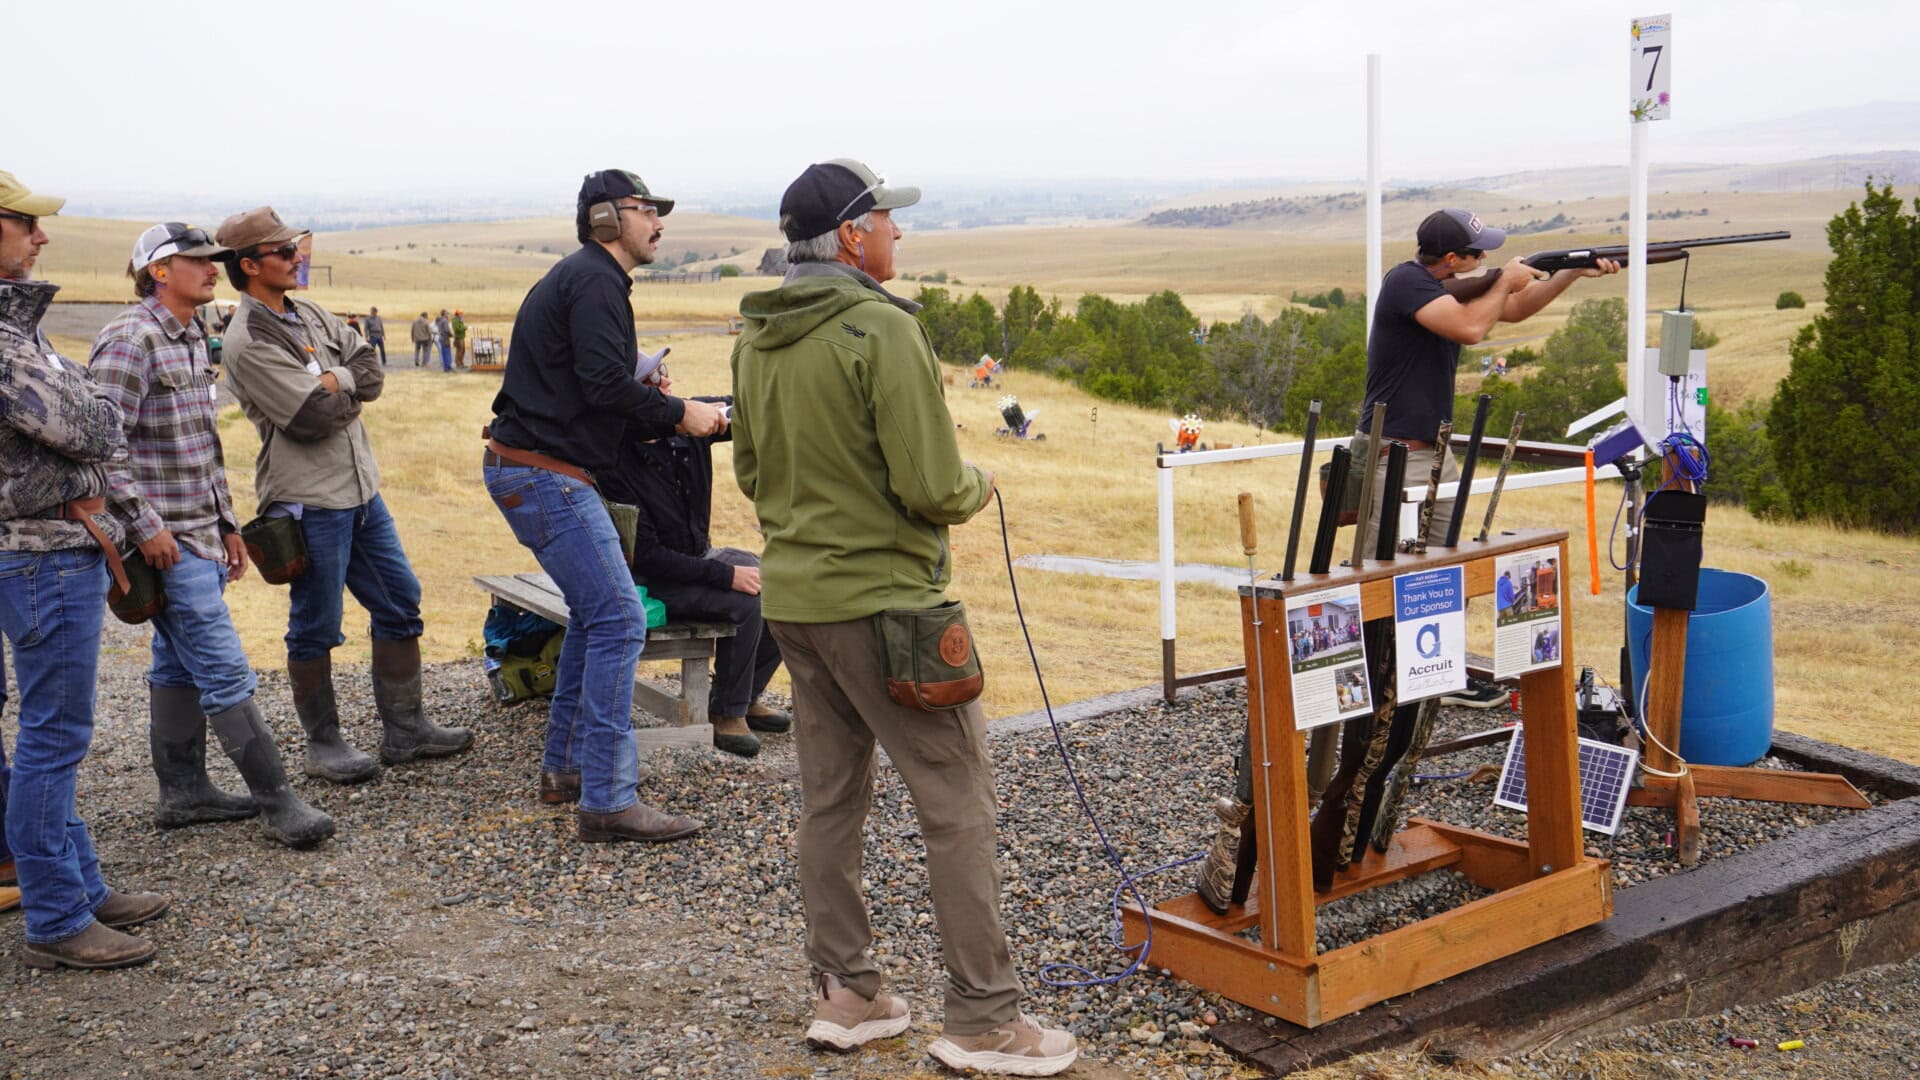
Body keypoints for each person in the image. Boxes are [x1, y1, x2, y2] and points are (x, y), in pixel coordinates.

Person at [730, 159, 1076, 1075]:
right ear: (852, 235)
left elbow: (753, 476)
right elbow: (931, 485)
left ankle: (849, 993)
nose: (898, 232)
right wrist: (980, 482)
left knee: (830, 801)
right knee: (958, 805)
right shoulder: (881, 330)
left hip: (795, 604)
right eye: (887, 218)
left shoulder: (755, 336)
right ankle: (985, 1021)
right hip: (889, 608)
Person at [485, 168, 723, 843]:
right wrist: (679, 413)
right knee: (620, 617)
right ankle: (609, 800)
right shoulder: (595, 279)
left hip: (539, 469)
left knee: (595, 617)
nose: (659, 223)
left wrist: (649, 395)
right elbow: (599, 384)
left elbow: (596, 386)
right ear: (606, 219)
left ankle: (565, 770)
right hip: (544, 474)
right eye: (646, 210)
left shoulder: (590, 279)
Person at [90, 222, 335, 850]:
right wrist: (146, 530)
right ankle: (279, 803)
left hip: (198, 532)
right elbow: (100, 451)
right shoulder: (130, 339)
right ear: (158, 272)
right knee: (224, 670)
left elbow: (202, 443)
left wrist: (227, 524)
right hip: (164, 540)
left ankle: (184, 792)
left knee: (175, 662)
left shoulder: (195, 334)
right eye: (193, 259)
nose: (210, 267)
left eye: (211, 258)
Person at [217, 206, 471, 786]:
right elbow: (311, 418)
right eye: (283, 253)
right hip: (307, 500)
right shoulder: (248, 337)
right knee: (316, 623)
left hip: (360, 492)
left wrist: (338, 378)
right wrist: (335, 383)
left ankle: (405, 730)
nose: (295, 258)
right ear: (249, 265)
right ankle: (323, 743)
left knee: (400, 600)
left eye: (294, 248)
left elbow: (370, 370)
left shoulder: (306, 311)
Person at [0, 171, 170, 968]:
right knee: (53, 736)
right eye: (26, 223)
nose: (42, 237)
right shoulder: (4, 340)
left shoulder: (17, 330)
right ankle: (58, 919)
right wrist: (92, 413)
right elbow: (91, 426)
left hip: (49, 550)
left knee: (50, 734)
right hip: (41, 553)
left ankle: (79, 887)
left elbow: (88, 417)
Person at [1361, 208, 1616, 709]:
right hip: (1396, 457)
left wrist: (1568, 272)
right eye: (1480, 255)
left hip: (1433, 453)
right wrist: (1505, 282)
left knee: (1442, 574)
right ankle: (1373, 679)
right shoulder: (1406, 284)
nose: (1487, 262)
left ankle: (1438, 673)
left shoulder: (1438, 286)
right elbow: (1472, 329)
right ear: (1454, 259)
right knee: (1382, 573)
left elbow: (1514, 311)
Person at [597, 353, 789, 761]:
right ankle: (725, 712)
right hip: (651, 581)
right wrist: (723, 576)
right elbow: (646, 556)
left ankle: (747, 694)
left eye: (663, 372)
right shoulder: (613, 461)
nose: (667, 384)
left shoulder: (687, 422)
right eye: (652, 380)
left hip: (695, 557)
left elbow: (745, 408)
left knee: (785, 583)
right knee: (747, 597)